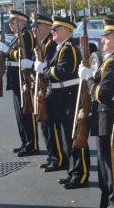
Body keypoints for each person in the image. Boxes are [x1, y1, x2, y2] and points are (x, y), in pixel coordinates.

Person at [78, 19, 114, 208]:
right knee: (103, 164)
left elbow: (103, 94)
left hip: (108, 117)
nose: (102, 42)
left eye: (107, 38)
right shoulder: (108, 61)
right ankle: (105, 204)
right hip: (101, 117)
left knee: (111, 164)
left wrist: (89, 78)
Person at [34, 15, 90, 189]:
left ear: (67, 31)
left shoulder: (69, 48)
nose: (53, 32)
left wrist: (45, 70)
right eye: (52, 29)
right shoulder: (61, 47)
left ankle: (80, 175)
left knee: (75, 137)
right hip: (62, 95)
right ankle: (72, 172)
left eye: (56, 29)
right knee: (67, 138)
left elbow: (62, 71)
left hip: (70, 95)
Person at [0, 10, 38, 157]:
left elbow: (23, 54)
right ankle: (24, 141)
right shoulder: (16, 37)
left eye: (13, 22)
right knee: (19, 114)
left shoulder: (26, 36)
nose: (10, 25)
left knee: (26, 112)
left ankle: (31, 144)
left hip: (23, 78)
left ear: (21, 23)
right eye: (10, 22)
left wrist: (7, 51)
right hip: (15, 78)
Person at [30, 13, 58, 170]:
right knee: (44, 125)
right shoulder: (41, 44)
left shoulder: (51, 45)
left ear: (46, 27)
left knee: (50, 127)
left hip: (47, 90)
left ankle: (57, 158)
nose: (33, 30)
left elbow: (48, 67)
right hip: (40, 88)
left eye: (36, 27)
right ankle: (51, 155)